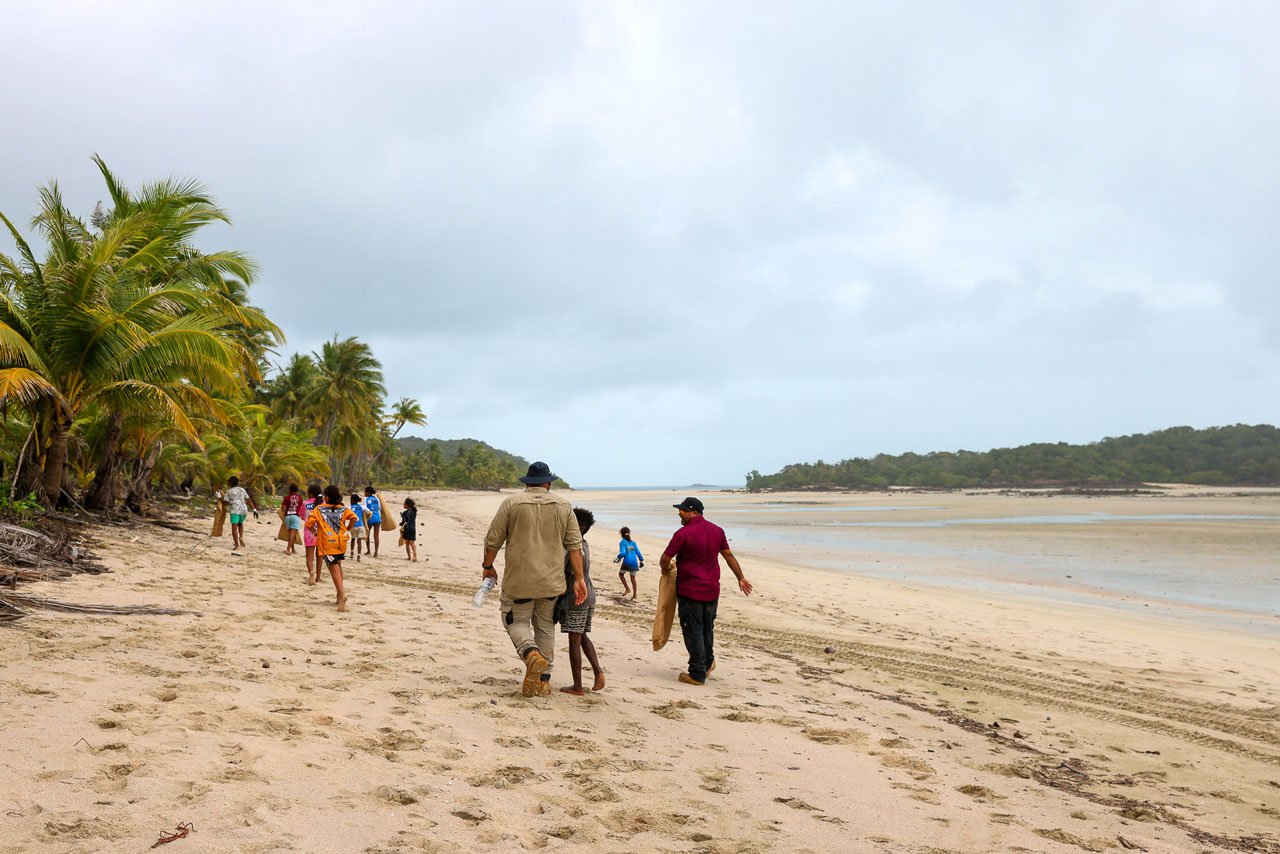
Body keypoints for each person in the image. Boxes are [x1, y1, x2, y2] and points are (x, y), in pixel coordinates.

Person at [482, 461, 586, 698]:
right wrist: (579, 578)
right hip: (552, 583)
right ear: (548, 483)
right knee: (546, 626)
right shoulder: (563, 505)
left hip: (519, 582)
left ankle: (531, 655)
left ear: (527, 482)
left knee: (515, 622)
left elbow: (492, 541)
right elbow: (574, 546)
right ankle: (544, 681)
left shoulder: (511, 503)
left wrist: (488, 566)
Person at [659, 497, 752, 686]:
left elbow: (665, 558)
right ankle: (708, 663)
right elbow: (728, 555)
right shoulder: (717, 531)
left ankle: (697, 673)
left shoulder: (683, 534)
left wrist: (665, 570)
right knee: (707, 628)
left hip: (690, 590)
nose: (679, 514)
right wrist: (740, 577)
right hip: (711, 589)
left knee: (693, 630)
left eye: (682, 511)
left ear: (693, 512)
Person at [560, 507, 605, 696]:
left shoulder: (574, 547)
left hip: (577, 597)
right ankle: (597, 671)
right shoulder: (584, 544)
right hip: (589, 596)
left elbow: (564, 571)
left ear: (579, 526)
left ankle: (578, 686)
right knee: (582, 635)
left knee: (574, 640)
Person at [306, 484, 357, 612]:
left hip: (328, 543)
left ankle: (342, 594)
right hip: (341, 542)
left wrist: (315, 531)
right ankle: (339, 596)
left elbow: (309, 524)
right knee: (338, 566)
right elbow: (354, 518)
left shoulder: (319, 509)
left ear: (327, 497)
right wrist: (347, 529)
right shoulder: (342, 508)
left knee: (333, 569)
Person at [217, 476, 259, 553]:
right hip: (244, 510)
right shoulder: (242, 490)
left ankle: (237, 545)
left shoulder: (229, 491)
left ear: (230, 483)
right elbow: (248, 500)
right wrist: (254, 509)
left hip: (235, 510)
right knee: (240, 524)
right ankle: (241, 537)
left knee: (234, 529)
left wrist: (219, 497)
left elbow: (225, 503)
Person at [614, 526, 644, 600]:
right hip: (634, 563)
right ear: (629, 533)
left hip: (627, 563)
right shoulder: (633, 543)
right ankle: (635, 595)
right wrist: (641, 560)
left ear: (621, 534)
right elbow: (638, 552)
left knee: (621, 574)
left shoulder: (622, 542)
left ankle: (627, 589)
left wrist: (618, 558)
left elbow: (623, 553)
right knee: (633, 578)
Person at [302, 484, 322, 584]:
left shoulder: (305, 503)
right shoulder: (323, 504)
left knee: (309, 557)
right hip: (321, 532)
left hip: (309, 531)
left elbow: (302, 516)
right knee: (320, 556)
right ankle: (318, 577)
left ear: (310, 493)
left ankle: (311, 573)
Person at [281, 484, 304, 555]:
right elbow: (301, 508)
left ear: (290, 490)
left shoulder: (287, 497)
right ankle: (288, 549)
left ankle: (293, 549)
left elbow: (284, 509)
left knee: (291, 534)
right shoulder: (300, 498)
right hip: (295, 517)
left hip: (288, 517)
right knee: (293, 534)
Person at [349, 493, 371, 561]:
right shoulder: (362, 507)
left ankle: (352, 552)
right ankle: (358, 555)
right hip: (361, 526)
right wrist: (367, 518)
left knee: (353, 539)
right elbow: (369, 512)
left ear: (352, 500)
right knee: (359, 541)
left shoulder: (350, 507)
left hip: (353, 526)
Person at [364, 486, 384, 557]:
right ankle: (376, 552)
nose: (364, 493)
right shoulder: (376, 499)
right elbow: (379, 508)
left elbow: (365, 509)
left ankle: (368, 550)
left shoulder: (366, 499)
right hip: (377, 518)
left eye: (365, 492)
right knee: (376, 536)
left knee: (367, 535)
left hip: (370, 518)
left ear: (368, 492)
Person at [400, 497, 418, 562]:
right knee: (412, 543)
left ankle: (409, 557)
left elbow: (403, 522)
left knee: (407, 543)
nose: (403, 505)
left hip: (407, 529)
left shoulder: (405, 512)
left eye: (404, 504)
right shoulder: (414, 511)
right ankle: (415, 553)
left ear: (407, 505)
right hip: (413, 528)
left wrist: (402, 517)